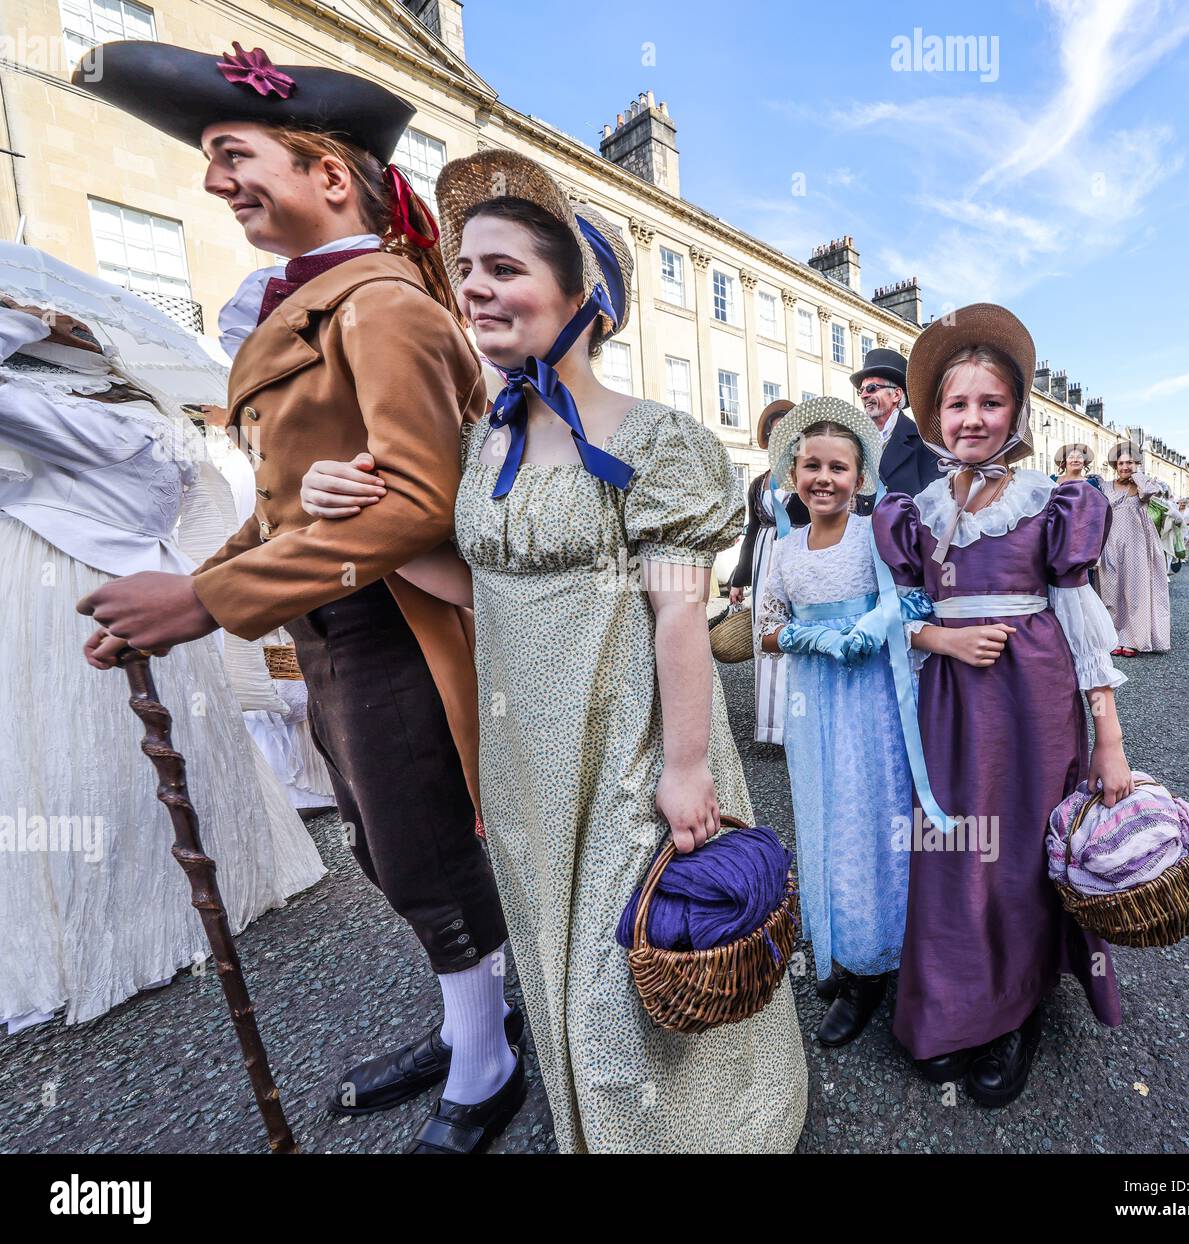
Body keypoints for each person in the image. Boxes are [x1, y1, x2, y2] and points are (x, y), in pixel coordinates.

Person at [304, 148, 809, 1152]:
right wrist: (354, 515)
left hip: (629, 741)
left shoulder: (654, 434)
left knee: (635, 965)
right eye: (468, 269)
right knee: (557, 951)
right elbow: (476, 580)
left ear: (584, 299)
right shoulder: (476, 445)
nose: (476, 287)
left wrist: (685, 766)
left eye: (506, 268)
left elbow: (678, 611)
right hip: (526, 753)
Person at [73, 40, 521, 1154]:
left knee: (423, 848)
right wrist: (193, 582)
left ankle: (488, 1055)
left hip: (394, 622)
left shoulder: (380, 307)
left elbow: (416, 504)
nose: (216, 182)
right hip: (332, 615)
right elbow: (286, 506)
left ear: (330, 172)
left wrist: (207, 603)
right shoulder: (318, 302)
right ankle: (484, 1014)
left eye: (235, 153)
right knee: (382, 841)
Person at [0, 251, 325, 1031]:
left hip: (115, 590)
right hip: (101, 587)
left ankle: (148, 905)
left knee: (106, 762)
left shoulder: (123, 412)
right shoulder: (82, 402)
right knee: (68, 764)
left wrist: (31, 319)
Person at [872, 303, 1129, 1107]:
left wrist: (1109, 739)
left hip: (1031, 699)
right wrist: (937, 642)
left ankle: (1016, 1009)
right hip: (948, 700)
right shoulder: (914, 513)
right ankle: (951, 1006)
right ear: (934, 415)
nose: (973, 418)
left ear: (1016, 410)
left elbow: (1082, 618)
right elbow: (894, 619)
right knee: (950, 850)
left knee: (1019, 851)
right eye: (957, 404)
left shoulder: (1054, 501)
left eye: (990, 402)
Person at [755, 397, 934, 1048]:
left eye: (838, 467)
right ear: (793, 474)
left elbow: (916, 604)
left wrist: (871, 629)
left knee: (871, 825)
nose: (823, 478)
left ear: (860, 479)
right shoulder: (784, 547)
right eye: (811, 466)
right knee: (823, 819)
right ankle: (838, 942)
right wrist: (811, 639)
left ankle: (874, 964)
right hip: (813, 702)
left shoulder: (872, 538)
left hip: (872, 705)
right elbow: (765, 631)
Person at [728, 398, 810, 745]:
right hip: (764, 557)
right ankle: (771, 729)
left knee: (794, 633)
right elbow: (751, 531)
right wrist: (738, 579)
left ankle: (798, 724)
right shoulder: (759, 482)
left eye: (785, 432)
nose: (779, 437)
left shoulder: (806, 472)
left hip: (796, 555)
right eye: (772, 432)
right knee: (766, 633)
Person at [1095, 443, 1171, 657]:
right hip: (1110, 542)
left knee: (1135, 592)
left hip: (1138, 545)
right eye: (1121, 463)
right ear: (1114, 465)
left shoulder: (1143, 484)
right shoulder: (1106, 486)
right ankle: (1113, 637)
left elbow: (1148, 493)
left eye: (1130, 462)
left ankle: (1133, 639)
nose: (1125, 466)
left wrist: (1136, 476)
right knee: (1110, 591)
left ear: (1137, 464)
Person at [850, 348, 942, 499]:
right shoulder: (856, 442)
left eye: (872, 388)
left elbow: (935, 507)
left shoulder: (925, 444)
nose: (864, 395)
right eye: (861, 391)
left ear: (896, 395)